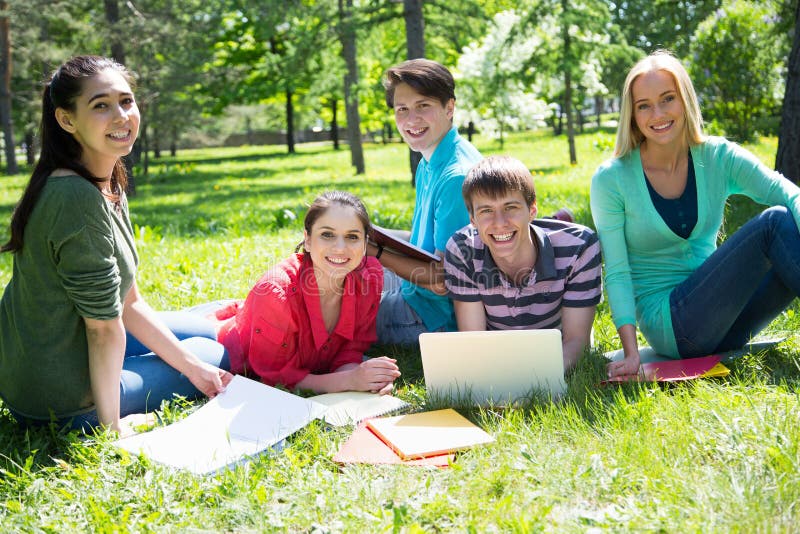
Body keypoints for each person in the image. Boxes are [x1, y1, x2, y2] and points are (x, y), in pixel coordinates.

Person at [0, 55, 232, 435]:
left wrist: (191, 366)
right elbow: (103, 328)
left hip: (56, 352)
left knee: (204, 336)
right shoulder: (74, 197)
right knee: (217, 354)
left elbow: (129, 302)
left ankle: (200, 337)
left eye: (126, 101)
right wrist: (113, 427)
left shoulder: (105, 180)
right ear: (66, 119)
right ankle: (104, 413)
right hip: (55, 397)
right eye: (101, 106)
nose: (121, 116)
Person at [590, 50, 800, 378]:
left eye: (667, 99)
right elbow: (617, 273)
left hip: (728, 322)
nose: (657, 114)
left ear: (685, 98)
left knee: (789, 223)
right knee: (774, 224)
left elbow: (788, 193)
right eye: (644, 105)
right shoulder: (612, 179)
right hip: (674, 329)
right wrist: (631, 354)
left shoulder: (717, 156)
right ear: (632, 114)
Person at [214, 191, 401, 394]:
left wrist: (367, 380)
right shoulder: (277, 292)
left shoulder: (368, 278)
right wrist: (349, 380)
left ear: (365, 244)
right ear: (308, 240)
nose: (340, 248)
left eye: (352, 237)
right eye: (327, 235)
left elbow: (350, 352)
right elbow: (278, 377)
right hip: (225, 350)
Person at [444, 156, 602, 371]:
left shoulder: (580, 246)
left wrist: (538, 379)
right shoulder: (463, 250)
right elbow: (475, 343)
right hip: (498, 352)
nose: (499, 223)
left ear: (532, 210)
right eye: (486, 211)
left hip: (557, 349)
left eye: (510, 207)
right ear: (472, 219)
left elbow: (576, 341)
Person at [371, 58, 483, 344]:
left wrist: (375, 252)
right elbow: (425, 246)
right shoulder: (431, 158)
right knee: (333, 267)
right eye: (402, 110)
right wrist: (361, 233)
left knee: (331, 316)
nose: (411, 120)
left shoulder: (456, 177)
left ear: (449, 107)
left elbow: (443, 280)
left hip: (432, 316)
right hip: (418, 292)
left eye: (423, 106)